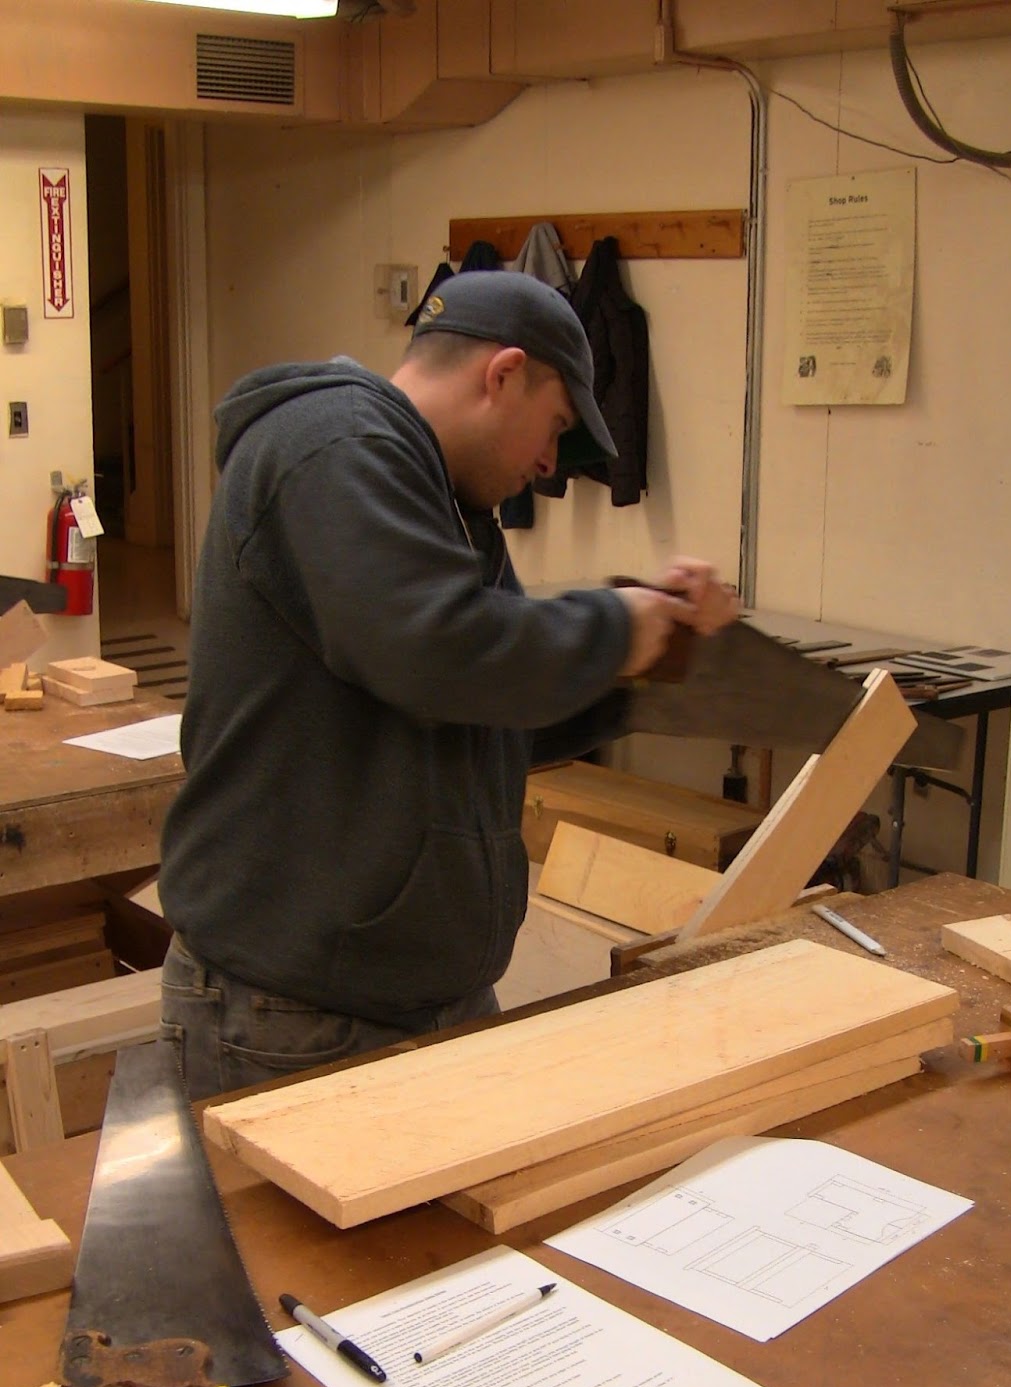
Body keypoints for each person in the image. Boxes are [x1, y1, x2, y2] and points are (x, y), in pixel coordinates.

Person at [157, 271, 739, 1099]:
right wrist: (615, 627)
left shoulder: (444, 498)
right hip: (298, 1011)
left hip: (413, 991)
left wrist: (643, 667)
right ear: (502, 375)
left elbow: (481, 710)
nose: (548, 464)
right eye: (555, 427)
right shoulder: (334, 445)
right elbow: (436, 653)